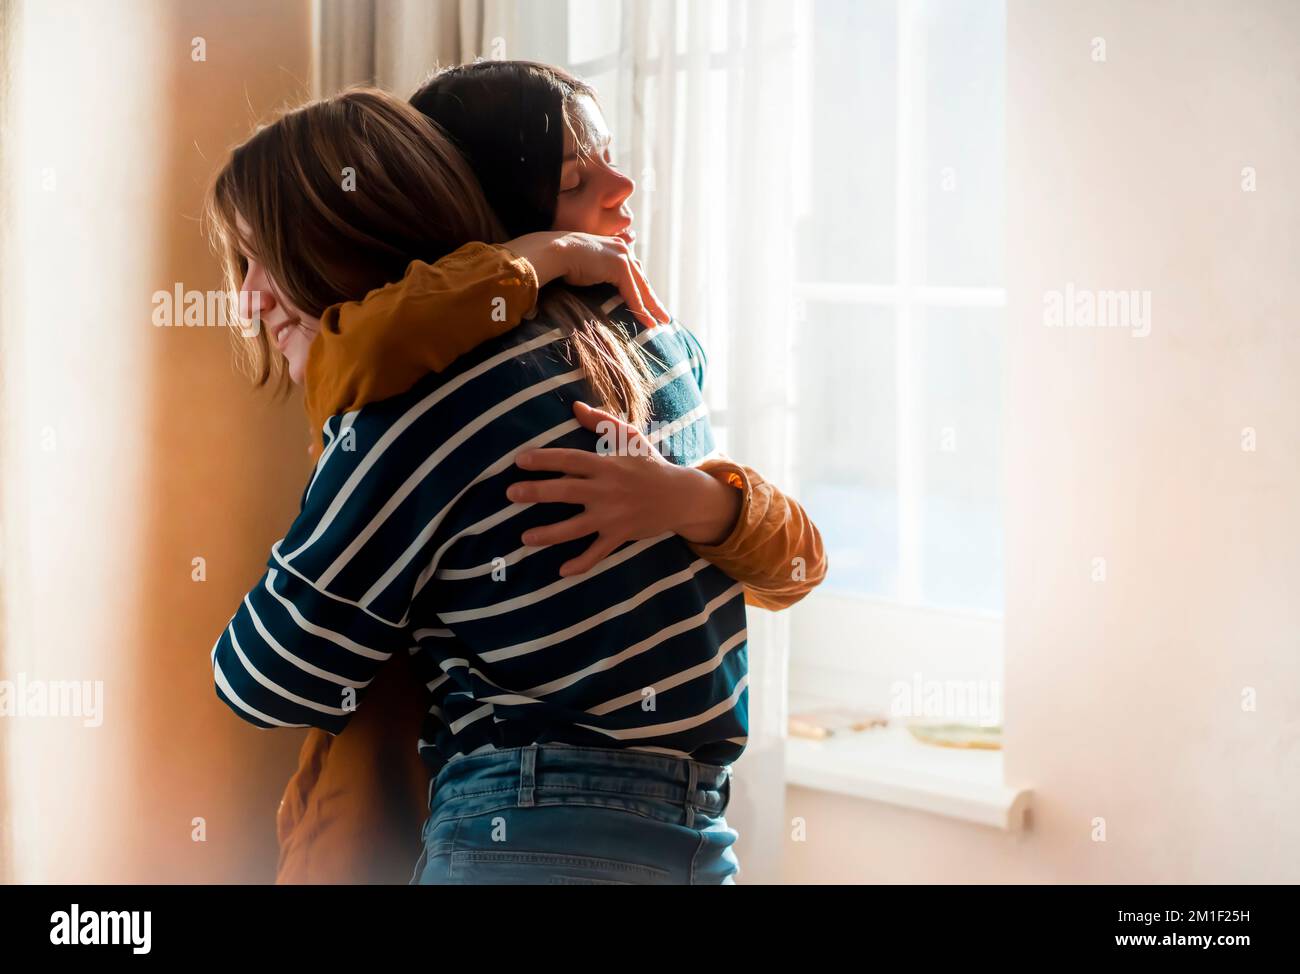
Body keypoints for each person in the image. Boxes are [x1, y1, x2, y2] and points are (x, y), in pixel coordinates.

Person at [208, 76, 822, 884]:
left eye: (263, 257)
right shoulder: (648, 341)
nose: (249, 297)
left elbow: (267, 676)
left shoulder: (414, 413)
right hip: (696, 832)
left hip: (526, 828)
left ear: (347, 237)